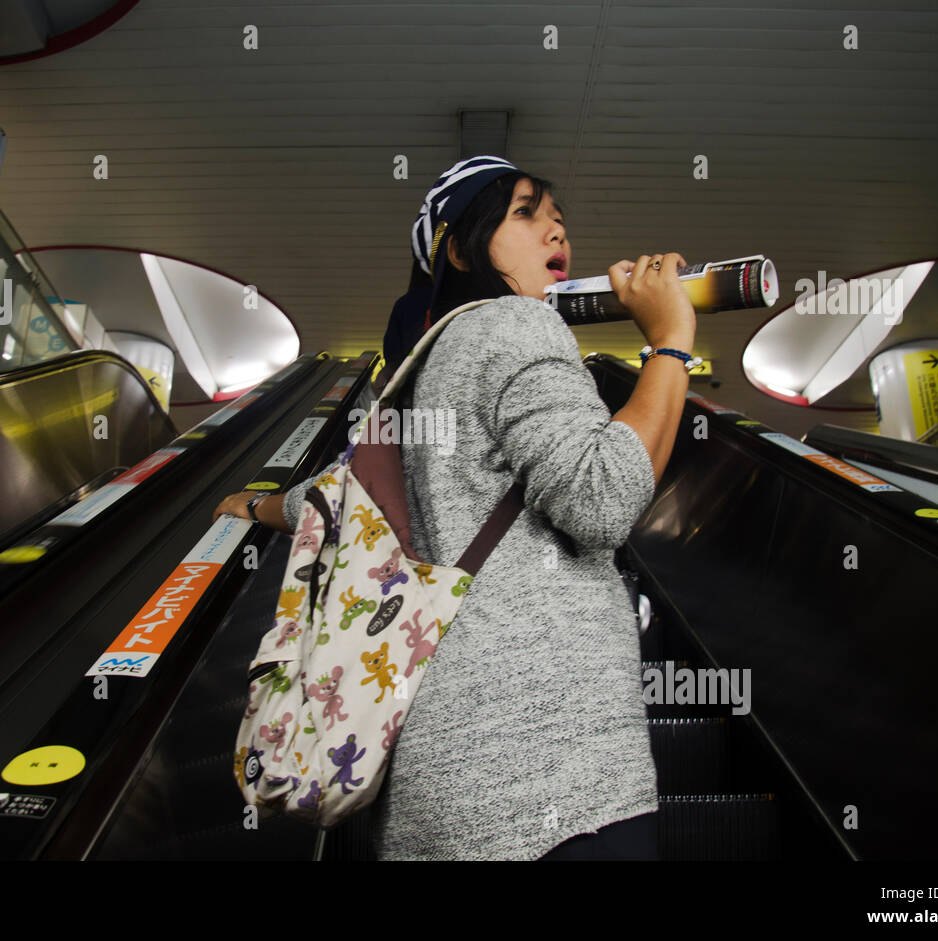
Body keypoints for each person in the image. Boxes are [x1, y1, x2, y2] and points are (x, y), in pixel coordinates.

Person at [213, 155, 697, 860]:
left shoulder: (411, 385)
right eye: (526, 211)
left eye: (558, 216)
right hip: (550, 782)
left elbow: (337, 499)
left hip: (433, 799)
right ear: (460, 246)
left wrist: (251, 506)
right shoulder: (515, 327)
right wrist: (670, 341)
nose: (555, 226)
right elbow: (602, 497)